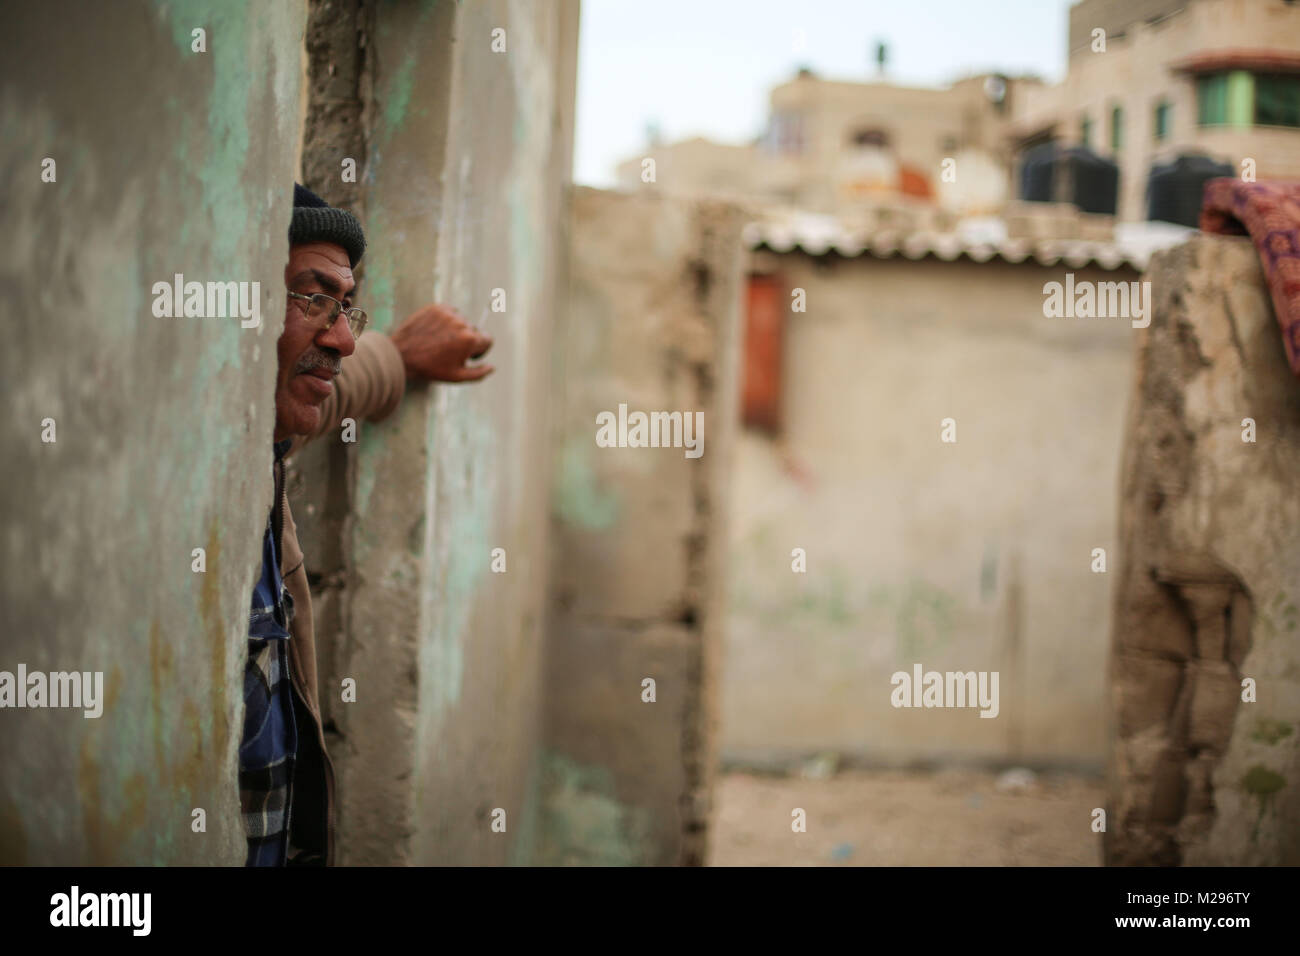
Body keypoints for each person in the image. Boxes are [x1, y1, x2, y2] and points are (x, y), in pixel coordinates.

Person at [241, 183, 494, 866]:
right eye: (314, 298)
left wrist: (404, 356)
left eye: (346, 307)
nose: (344, 338)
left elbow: (334, 390)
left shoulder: (259, 443)